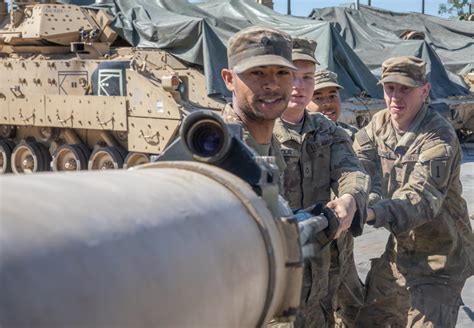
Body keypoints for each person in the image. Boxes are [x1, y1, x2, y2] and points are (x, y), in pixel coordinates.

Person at [353, 56, 474, 327]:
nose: (396, 97)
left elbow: (421, 199)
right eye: (390, 88)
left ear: (425, 91)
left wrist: (371, 212)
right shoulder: (378, 124)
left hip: (440, 260)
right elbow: (359, 166)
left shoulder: (438, 136)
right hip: (401, 253)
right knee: (368, 320)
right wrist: (361, 198)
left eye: (405, 88)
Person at [273, 38, 370, 328]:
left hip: (321, 274)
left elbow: (352, 171)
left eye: (308, 77)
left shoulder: (326, 129)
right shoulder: (259, 130)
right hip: (275, 278)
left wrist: (350, 198)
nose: (299, 86)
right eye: (291, 75)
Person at [307, 70, 366, 327]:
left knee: (357, 313)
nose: (328, 102)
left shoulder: (351, 137)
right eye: (318, 96)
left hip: (344, 254)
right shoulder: (296, 139)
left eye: (333, 95)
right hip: (311, 257)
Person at [220, 26, 296, 174]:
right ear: (229, 79)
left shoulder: (271, 146)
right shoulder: (216, 151)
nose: (273, 85)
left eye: (282, 72)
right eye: (257, 72)